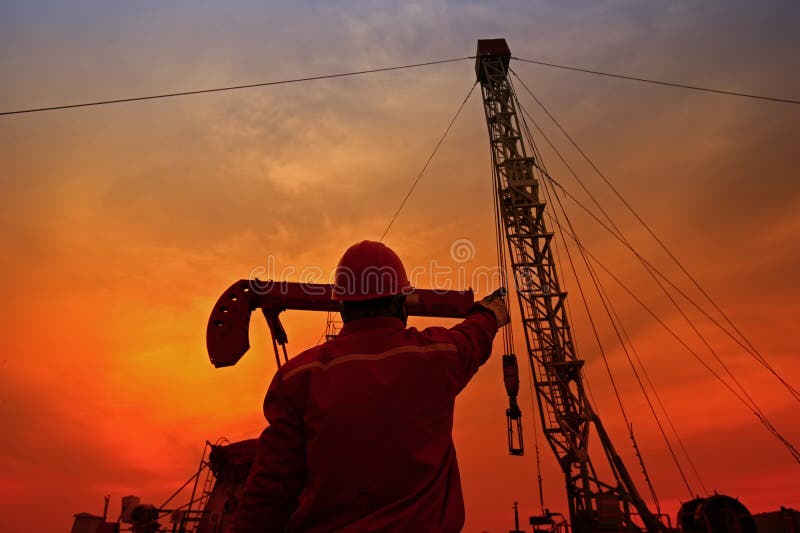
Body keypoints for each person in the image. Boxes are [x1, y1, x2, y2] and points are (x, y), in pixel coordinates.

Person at [228, 240, 510, 533]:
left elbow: (268, 494)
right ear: (401, 304)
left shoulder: (299, 377)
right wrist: (490, 313)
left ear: (341, 307)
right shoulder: (438, 356)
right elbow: (474, 335)